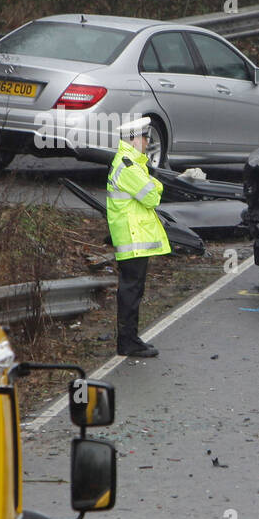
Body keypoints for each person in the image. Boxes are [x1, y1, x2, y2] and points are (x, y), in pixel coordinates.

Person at [106, 117, 170, 357]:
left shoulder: (132, 163)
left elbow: (149, 189)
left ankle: (130, 338)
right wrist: (157, 187)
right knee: (131, 291)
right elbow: (152, 197)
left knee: (133, 290)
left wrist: (153, 185)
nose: (146, 142)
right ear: (133, 140)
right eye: (144, 138)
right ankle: (127, 342)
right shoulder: (129, 166)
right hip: (132, 239)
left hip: (132, 238)